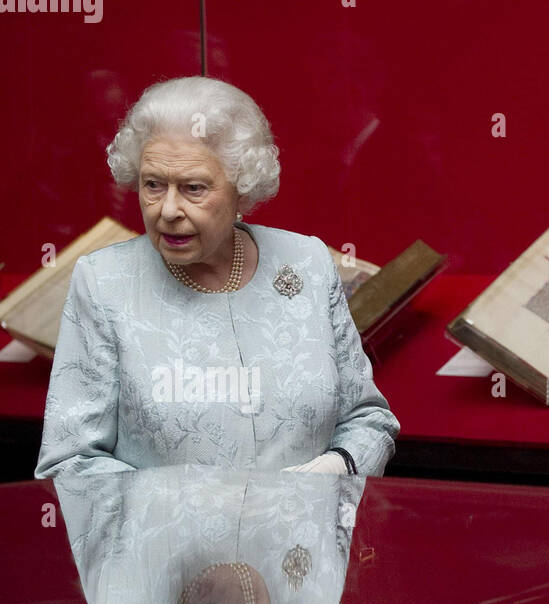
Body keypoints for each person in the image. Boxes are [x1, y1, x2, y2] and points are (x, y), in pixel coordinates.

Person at [36, 76, 398, 479]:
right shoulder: (104, 282)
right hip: (165, 542)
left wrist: (335, 469)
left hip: (301, 538)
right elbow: (69, 461)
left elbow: (368, 419)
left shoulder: (306, 261)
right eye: (153, 184)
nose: (167, 210)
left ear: (242, 190)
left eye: (193, 188)